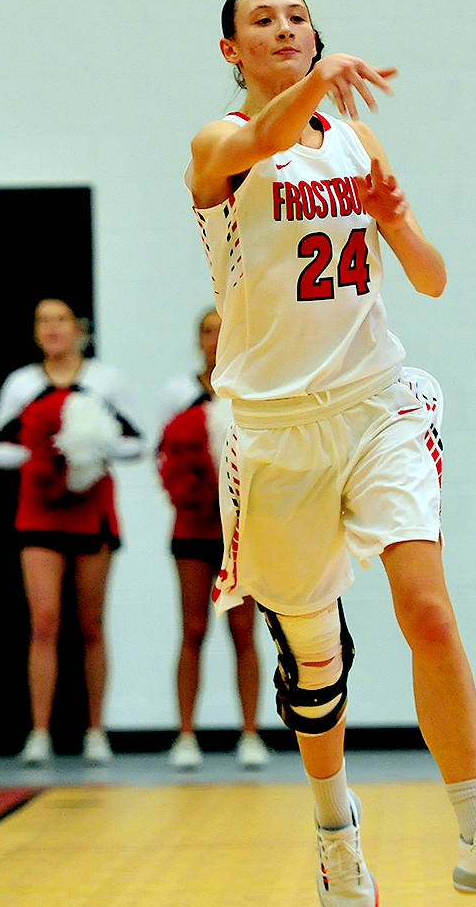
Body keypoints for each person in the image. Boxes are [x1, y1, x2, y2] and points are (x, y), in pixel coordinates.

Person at [187, 0, 476, 902]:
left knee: (428, 609)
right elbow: (269, 135)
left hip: (378, 402)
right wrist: (321, 79)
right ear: (231, 50)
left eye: (298, 16)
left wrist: (393, 217)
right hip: (273, 433)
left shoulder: (356, 138)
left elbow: (429, 279)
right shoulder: (220, 145)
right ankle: (336, 839)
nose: (286, 28)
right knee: (316, 661)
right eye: (263, 20)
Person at [0, 299, 141, 765]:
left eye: (61, 320)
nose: (52, 328)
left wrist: (90, 451)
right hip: (38, 512)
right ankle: (39, 732)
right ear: (35, 332)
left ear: (79, 329)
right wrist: (43, 454)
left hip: (91, 508)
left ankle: (96, 730)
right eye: (43, 320)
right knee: (44, 621)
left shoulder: (105, 381)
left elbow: (138, 442)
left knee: (92, 624)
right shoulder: (22, 384)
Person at [156, 309, 266, 770]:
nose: (215, 338)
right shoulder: (178, 394)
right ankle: (185, 734)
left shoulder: (255, 387)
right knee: (194, 629)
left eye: (223, 329)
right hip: (193, 527)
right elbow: (161, 455)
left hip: (242, 530)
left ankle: (251, 733)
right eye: (206, 330)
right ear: (196, 339)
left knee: (243, 631)